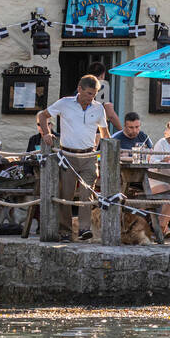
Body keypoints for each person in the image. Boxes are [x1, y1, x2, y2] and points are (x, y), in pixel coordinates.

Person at [38, 74, 107, 241]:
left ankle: (84, 229)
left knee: (87, 192)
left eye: (94, 94)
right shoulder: (65, 103)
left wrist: (110, 150)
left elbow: (105, 133)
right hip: (68, 154)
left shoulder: (98, 108)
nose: (92, 97)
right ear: (79, 89)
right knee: (66, 194)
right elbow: (42, 115)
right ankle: (66, 231)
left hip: (89, 155)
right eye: (89, 93)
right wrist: (46, 134)